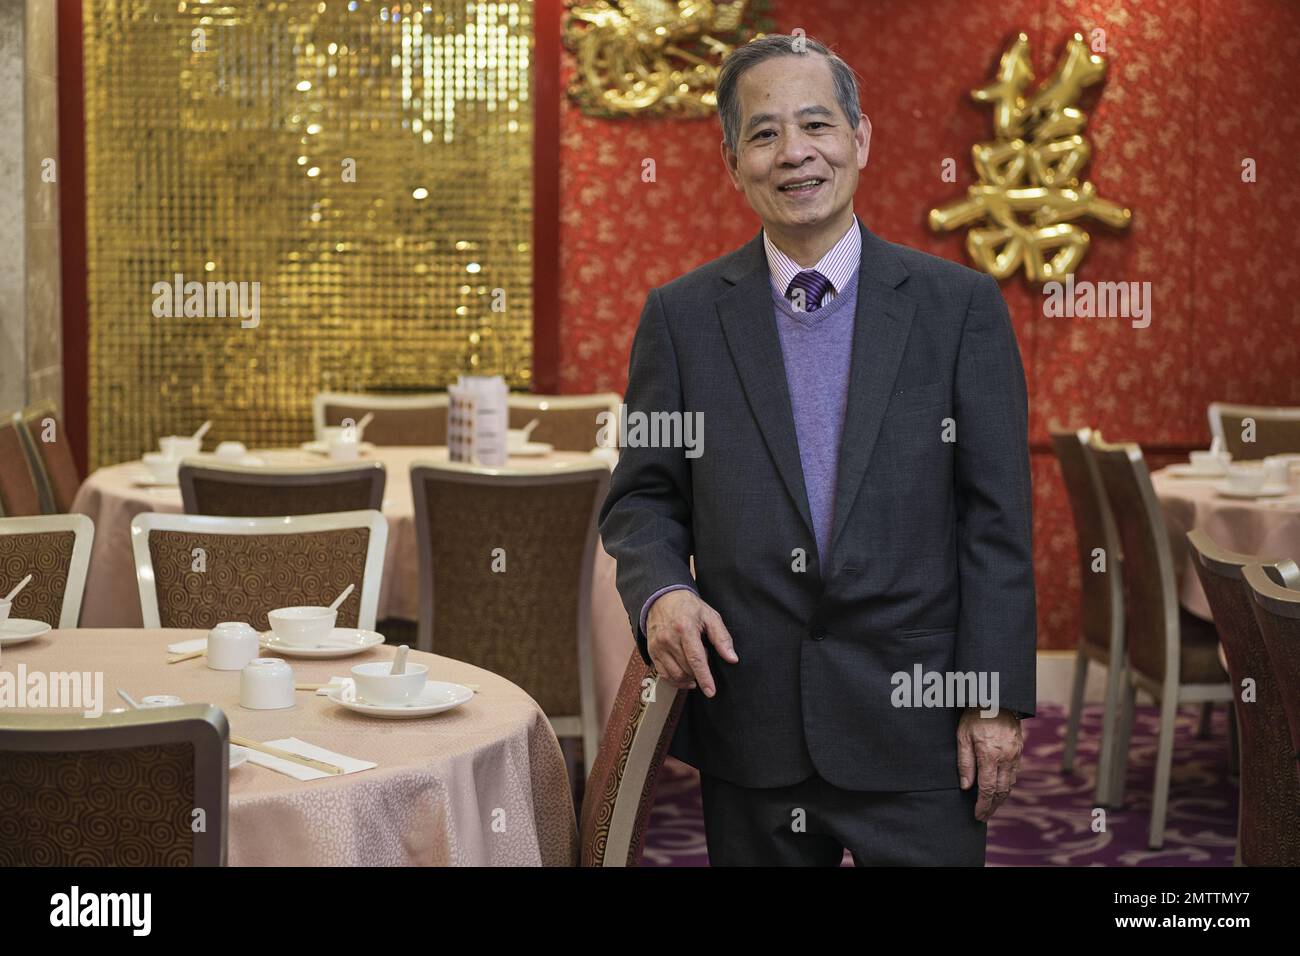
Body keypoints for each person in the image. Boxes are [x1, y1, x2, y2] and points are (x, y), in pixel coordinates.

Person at [598, 34, 1036, 865]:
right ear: (733, 162)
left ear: (859, 139)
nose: (794, 152)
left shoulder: (958, 310)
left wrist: (993, 697)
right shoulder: (683, 319)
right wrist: (660, 593)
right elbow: (644, 497)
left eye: (816, 124)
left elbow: (997, 524)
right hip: (753, 720)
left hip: (920, 727)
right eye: (764, 134)